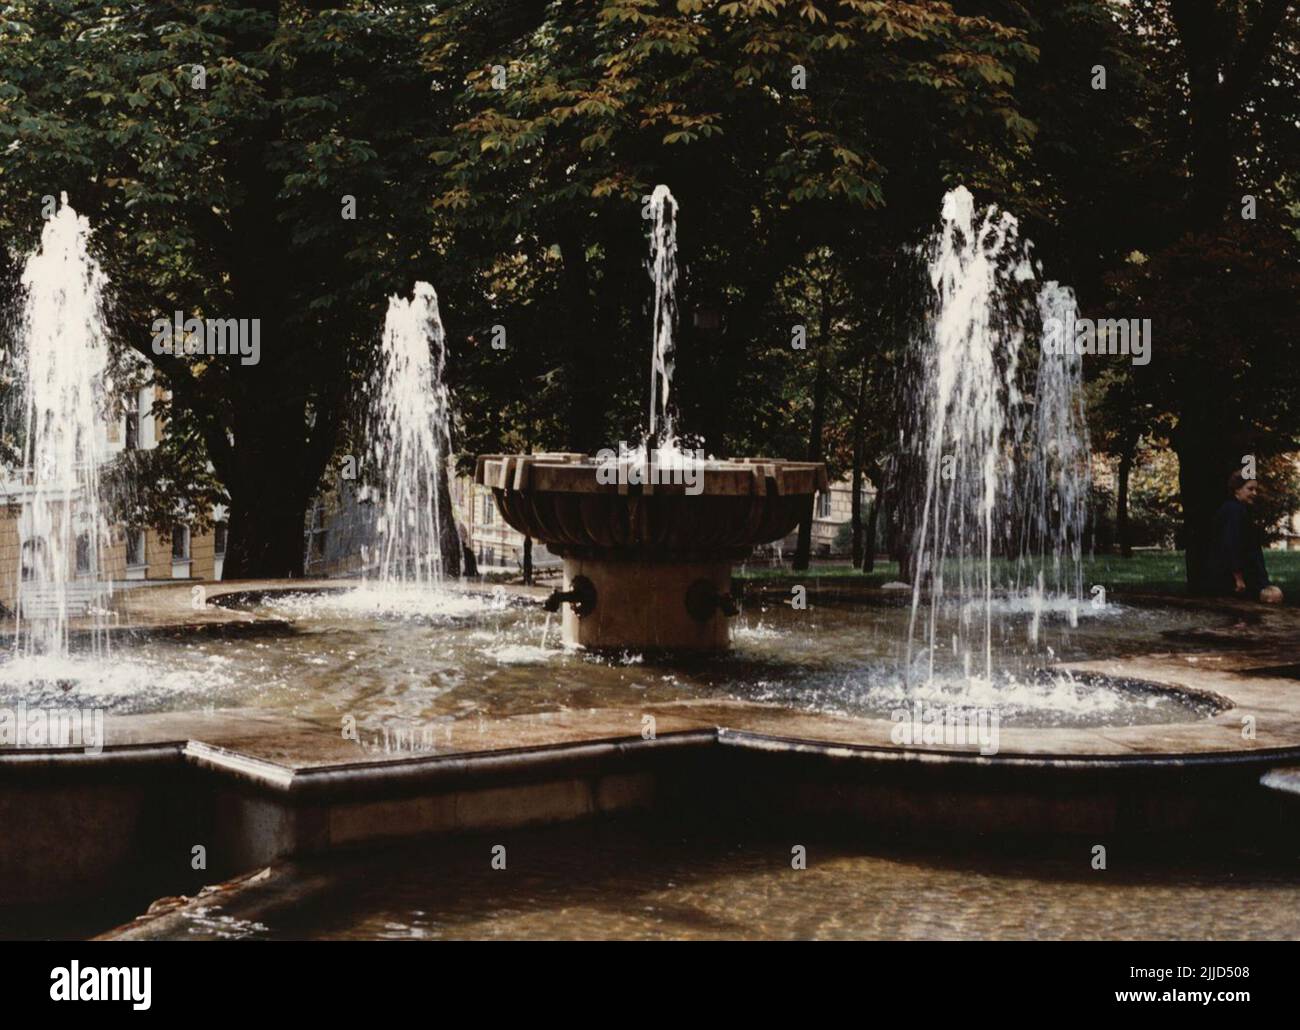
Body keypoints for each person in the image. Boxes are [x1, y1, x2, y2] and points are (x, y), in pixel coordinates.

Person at [1207, 471, 1284, 604]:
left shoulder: (1240, 509)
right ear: (1237, 489)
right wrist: (1238, 578)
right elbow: (1231, 544)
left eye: (1256, 489)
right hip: (1236, 581)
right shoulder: (1234, 511)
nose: (1254, 493)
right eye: (1250, 489)